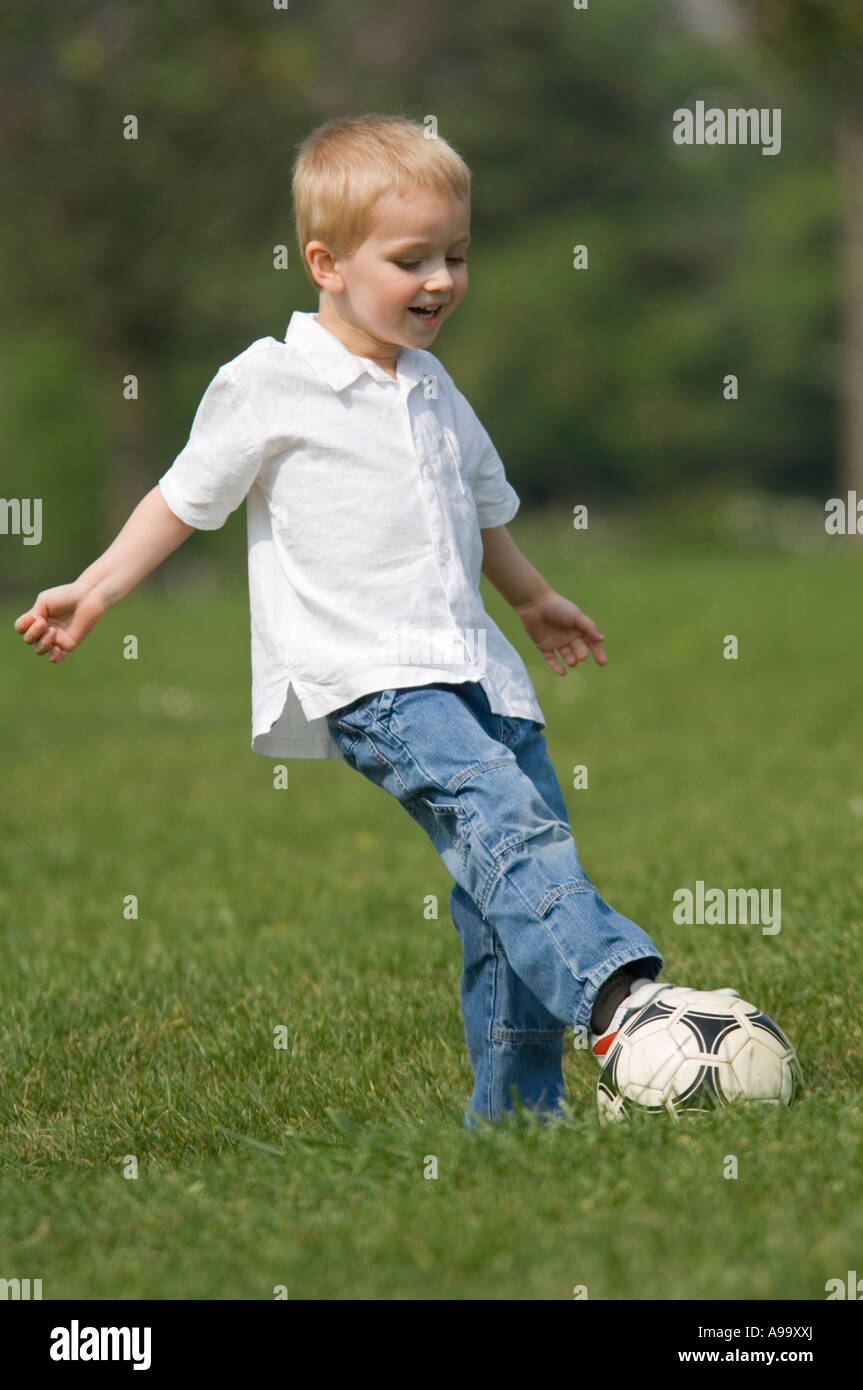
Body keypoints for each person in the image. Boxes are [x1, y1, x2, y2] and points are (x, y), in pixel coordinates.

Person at [13, 113, 714, 1126]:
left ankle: (517, 1118)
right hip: (368, 677)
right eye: (410, 259)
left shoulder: (434, 390)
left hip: (478, 668)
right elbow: (182, 496)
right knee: (498, 819)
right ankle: (619, 999)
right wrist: (98, 586)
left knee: (497, 883)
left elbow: (478, 516)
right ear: (326, 262)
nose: (439, 281)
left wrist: (530, 599)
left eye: (455, 256)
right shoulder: (269, 382)